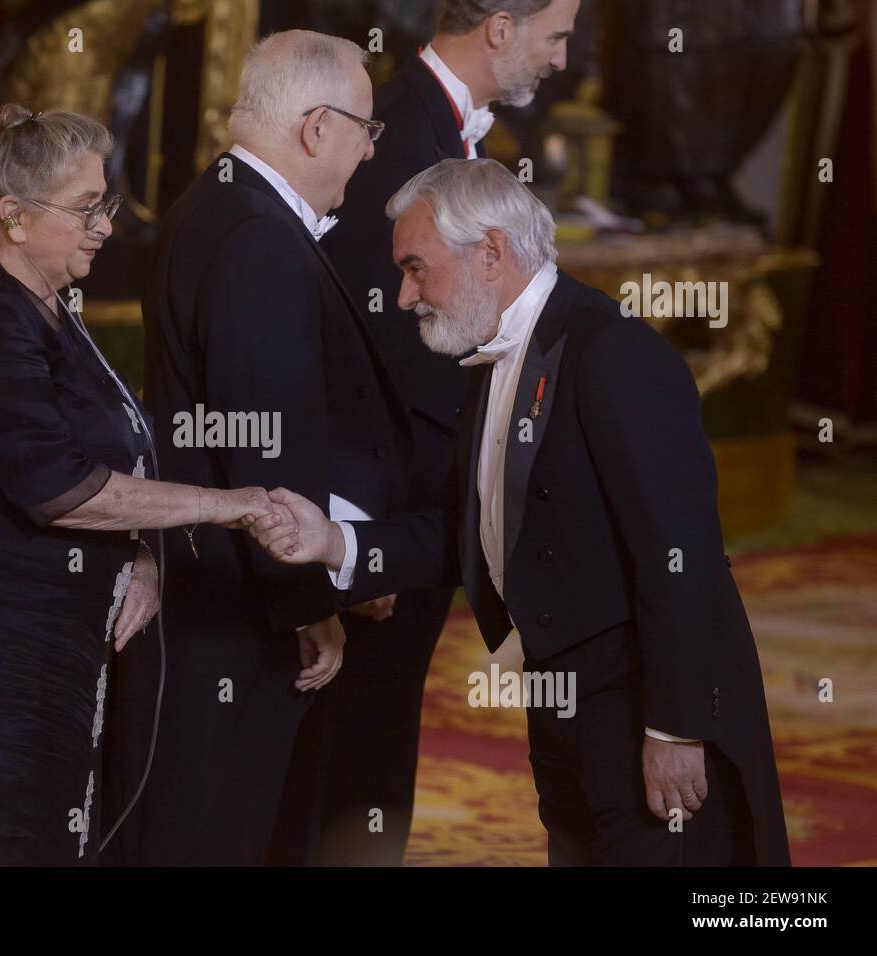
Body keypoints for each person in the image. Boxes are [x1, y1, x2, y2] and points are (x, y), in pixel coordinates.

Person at [249, 158, 791, 866]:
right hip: (563, 701)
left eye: (417, 268)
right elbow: (469, 534)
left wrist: (675, 730)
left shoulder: (612, 351)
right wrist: (335, 544)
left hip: (643, 703)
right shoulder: (494, 356)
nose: (406, 294)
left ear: (492, 252)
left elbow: (680, 553)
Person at [0, 105, 281, 865]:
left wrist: (137, 549)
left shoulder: (40, 299)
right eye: (85, 208)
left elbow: (107, 462)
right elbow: (56, 483)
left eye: (105, 203)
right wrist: (228, 506)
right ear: (14, 216)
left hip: (45, 643)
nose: (105, 224)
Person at [105, 30, 415, 866]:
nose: (367, 149)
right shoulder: (258, 237)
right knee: (208, 831)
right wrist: (310, 599)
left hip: (214, 590)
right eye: (365, 129)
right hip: (231, 613)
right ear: (317, 128)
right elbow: (263, 448)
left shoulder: (227, 205)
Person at [296, 0, 579, 865]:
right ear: (501, 24)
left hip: (418, 515)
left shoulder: (443, 130)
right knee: (349, 746)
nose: (564, 59)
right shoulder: (395, 134)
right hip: (381, 517)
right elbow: (345, 349)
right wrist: (357, 535)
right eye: (557, 33)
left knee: (376, 733)